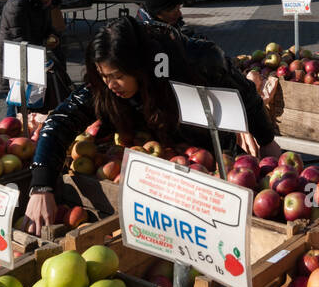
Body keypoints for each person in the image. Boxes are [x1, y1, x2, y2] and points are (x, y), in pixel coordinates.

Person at [21, 16, 278, 232]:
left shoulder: (193, 60)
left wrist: (266, 139)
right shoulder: (105, 89)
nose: (110, 85)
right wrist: (41, 185)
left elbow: (243, 91)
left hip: (212, 160)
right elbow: (61, 120)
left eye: (118, 76)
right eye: (103, 76)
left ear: (140, 67)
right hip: (162, 164)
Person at [0, 0, 65, 118]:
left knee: (26, 103)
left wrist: (53, 37)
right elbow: (20, 41)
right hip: (11, 61)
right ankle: (11, 134)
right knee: (15, 101)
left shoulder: (42, 3)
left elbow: (47, 29)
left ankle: (19, 130)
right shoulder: (16, 5)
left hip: (27, 59)